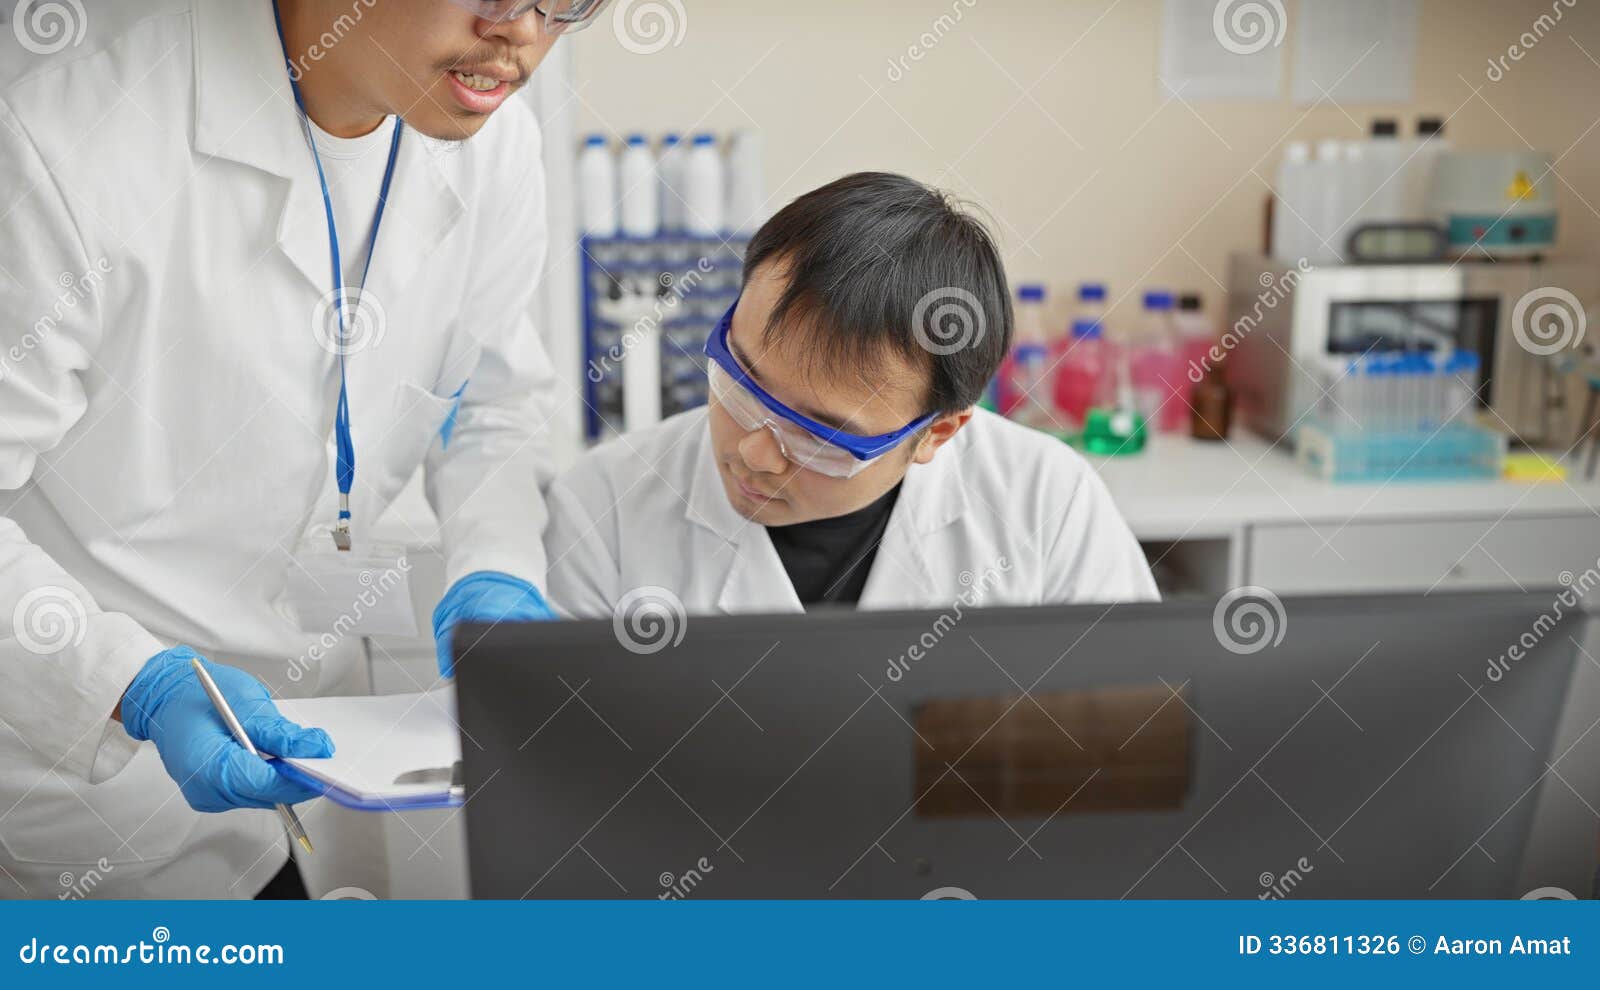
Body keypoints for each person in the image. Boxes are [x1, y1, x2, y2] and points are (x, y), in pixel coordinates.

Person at [0, 0, 604, 899]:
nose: (524, 29)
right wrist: (134, 682)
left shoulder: (494, 145)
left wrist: (499, 569)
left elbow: (495, 404)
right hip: (78, 768)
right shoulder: (62, 137)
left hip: (318, 751)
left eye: (572, 0)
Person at [544, 172, 1157, 618]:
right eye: (741, 381)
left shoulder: (1046, 502)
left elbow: (1127, 731)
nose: (755, 452)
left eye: (819, 434)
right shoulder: (602, 508)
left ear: (936, 432)